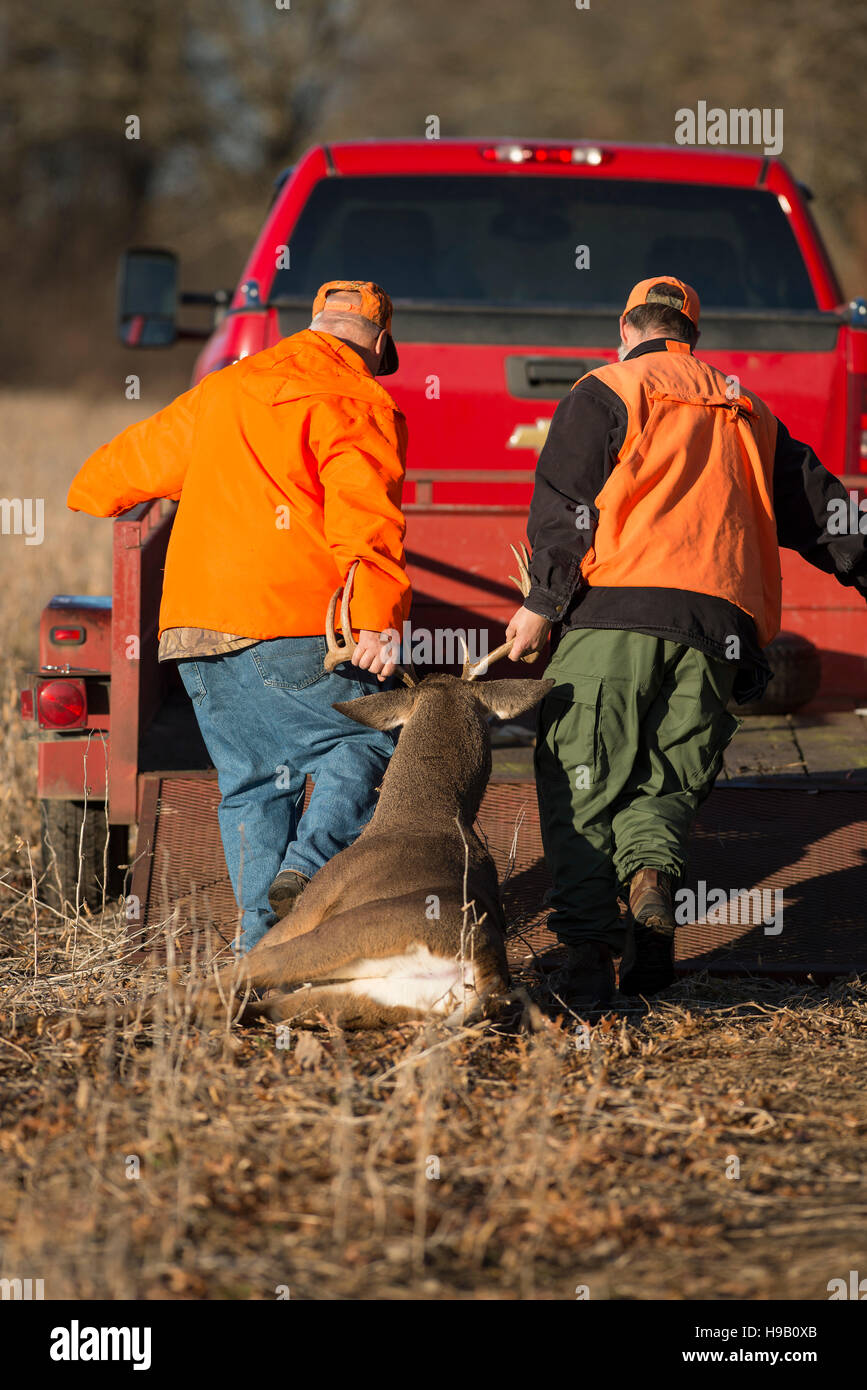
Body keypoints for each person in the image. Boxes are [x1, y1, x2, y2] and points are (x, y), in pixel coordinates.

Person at [506, 275, 867, 1008]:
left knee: (583, 780)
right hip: (716, 632)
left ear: (626, 327)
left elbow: (566, 506)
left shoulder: (606, 387)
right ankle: (648, 886)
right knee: (664, 780)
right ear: (690, 334)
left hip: (612, 617)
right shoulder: (748, 409)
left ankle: (584, 957)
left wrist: (542, 603)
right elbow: (829, 516)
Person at [68, 280, 410, 953]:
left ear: (317, 323)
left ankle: (257, 958)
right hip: (286, 619)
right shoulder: (355, 397)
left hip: (192, 627)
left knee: (254, 784)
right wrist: (376, 618)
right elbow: (364, 520)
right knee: (370, 742)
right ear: (375, 342)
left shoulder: (226, 387)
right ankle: (305, 873)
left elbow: (105, 479)